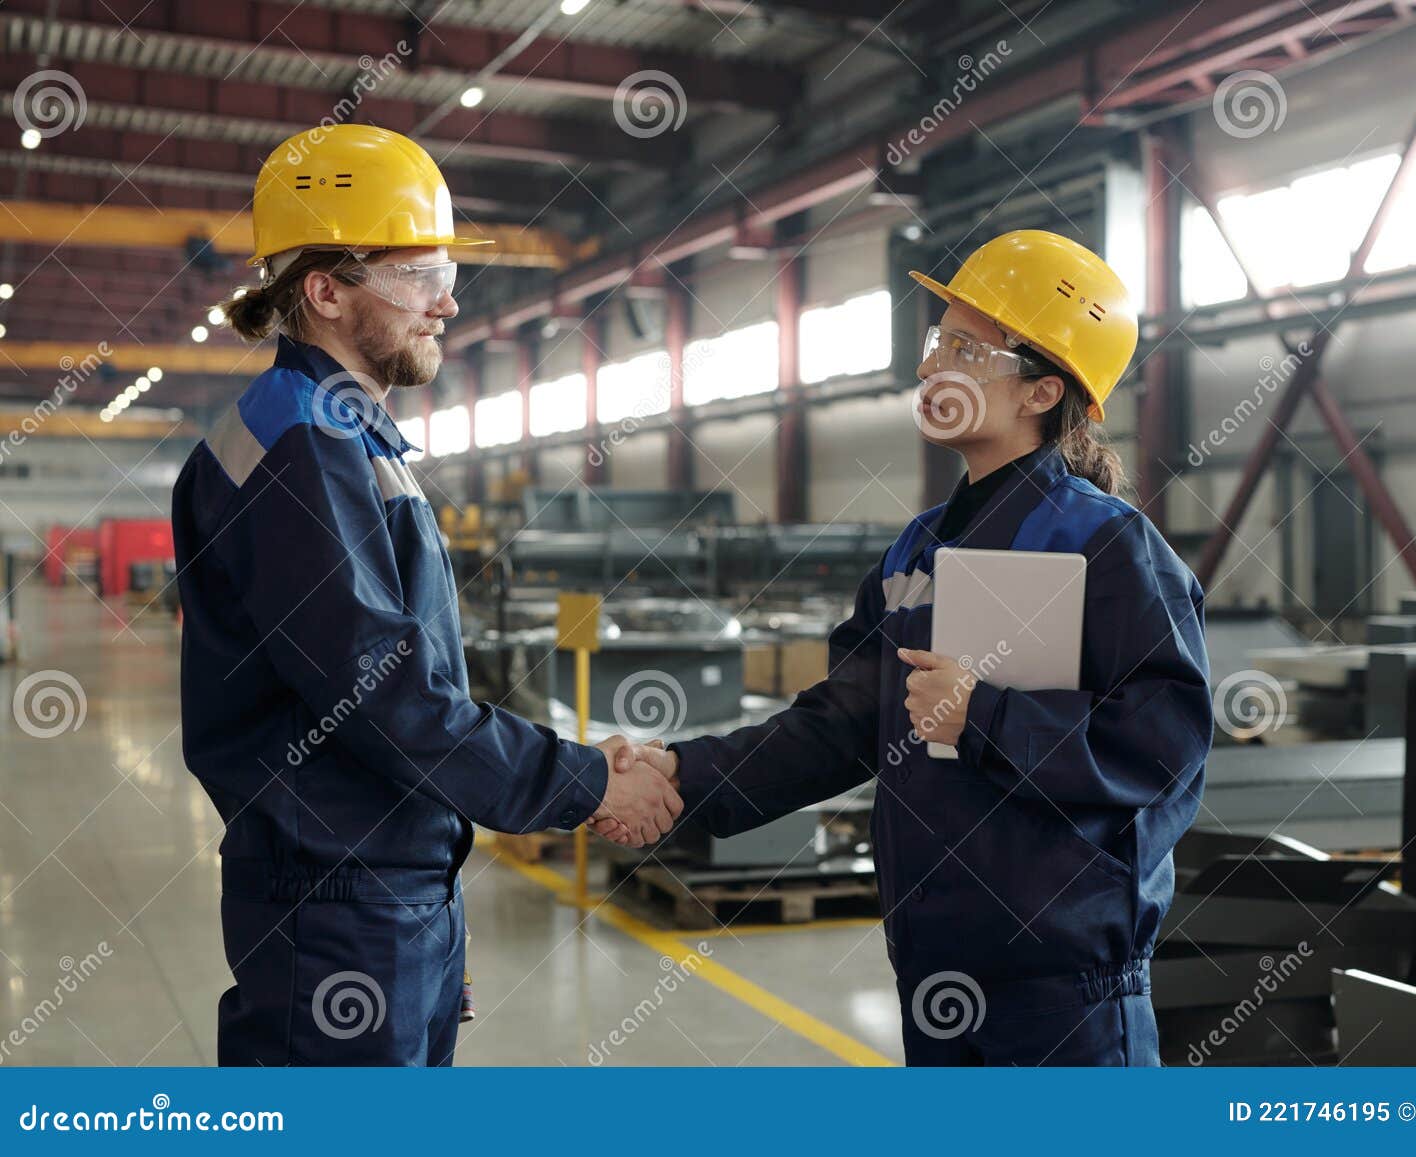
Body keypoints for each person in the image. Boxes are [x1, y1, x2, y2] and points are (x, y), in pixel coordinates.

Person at [604, 230, 1211, 1066]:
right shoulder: (916, 551)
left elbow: (1164, 750)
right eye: (936, 343)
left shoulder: (1109, 548)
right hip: (934, 962)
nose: (931, 370)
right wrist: (682, 774)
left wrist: (984, 716)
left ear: (1040, 389)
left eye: (965, 349)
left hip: (1060, 989)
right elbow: (842, 725)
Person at [171, 124, 681, 1067]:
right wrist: (582, 780)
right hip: (339, 900)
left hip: (386, 880)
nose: (448, 301)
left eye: (449, 271)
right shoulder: (302, 448)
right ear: (324, 290)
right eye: (417, 275)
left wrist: (573, 768)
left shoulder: (345, 438)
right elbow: (386, 696)